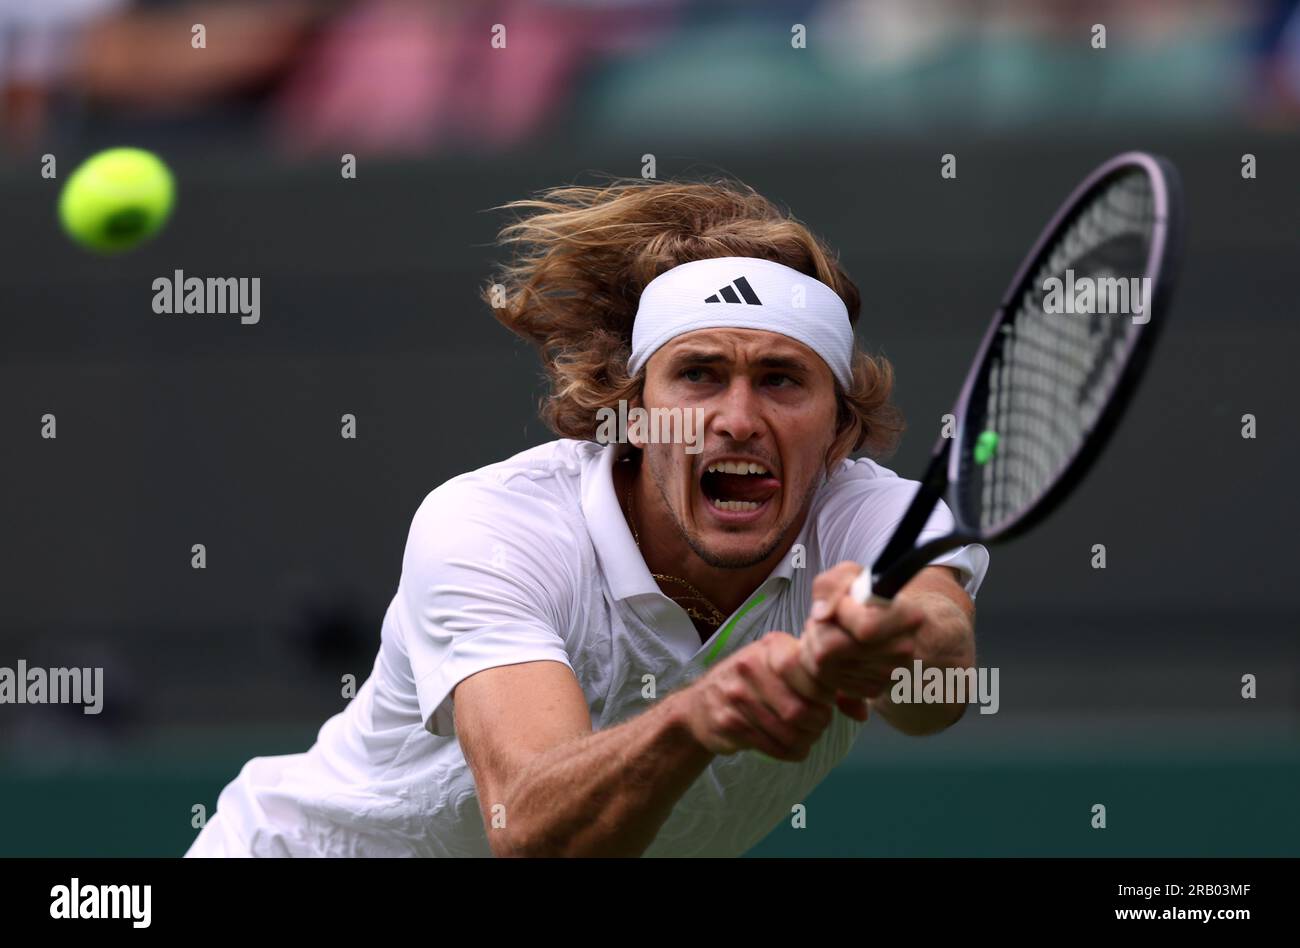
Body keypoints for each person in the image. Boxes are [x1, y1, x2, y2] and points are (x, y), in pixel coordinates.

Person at [186, 177, 989, 857]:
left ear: (840, 430)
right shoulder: (492, 529)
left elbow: (934, 691)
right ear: (635, 414)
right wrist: (697, 717)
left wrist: (889, 636)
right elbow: (530, 828)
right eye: (700, 375)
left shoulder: (875, 516)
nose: (739, 418)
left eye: (781, 380)